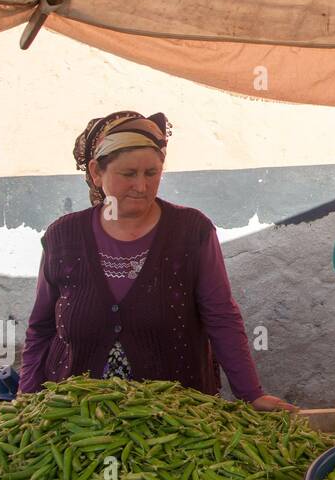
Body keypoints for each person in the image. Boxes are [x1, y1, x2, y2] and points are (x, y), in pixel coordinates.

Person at [19, 111, 293, 411]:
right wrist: (24, 405)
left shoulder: (192, 230)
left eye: (152, 173)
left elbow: (221, 317)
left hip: (175, 418)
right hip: (75, 420)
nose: (141, 186)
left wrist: (250, 394)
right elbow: (42, 329)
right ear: (97, 171)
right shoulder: (63, 236)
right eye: (128, 174)